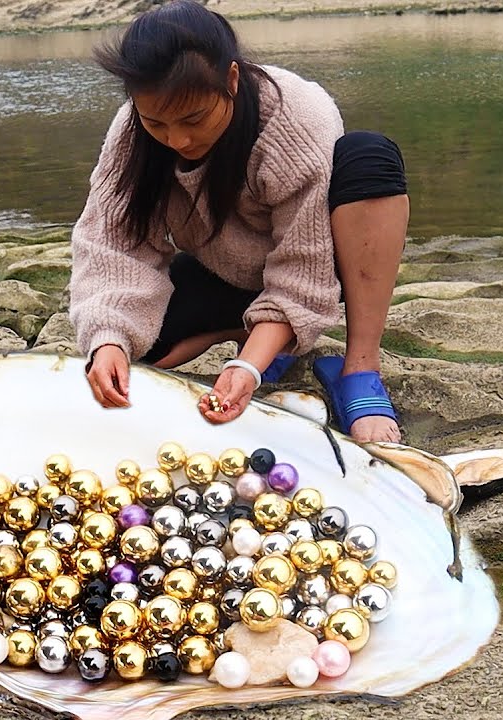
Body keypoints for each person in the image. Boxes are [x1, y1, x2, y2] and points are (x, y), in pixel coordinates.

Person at [68, 0, 409, 443]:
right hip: (228, 275)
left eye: (193, 118)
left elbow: (303, 270)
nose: (177, 139)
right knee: (139, 350)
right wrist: (108, 340)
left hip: (326, 266)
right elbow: (111, 245)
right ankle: (257, 334)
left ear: (231, 79)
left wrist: (248, 366)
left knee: (369, 156)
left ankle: (360, 368)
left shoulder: (296, 115)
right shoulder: (132, 130)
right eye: (156, 122)